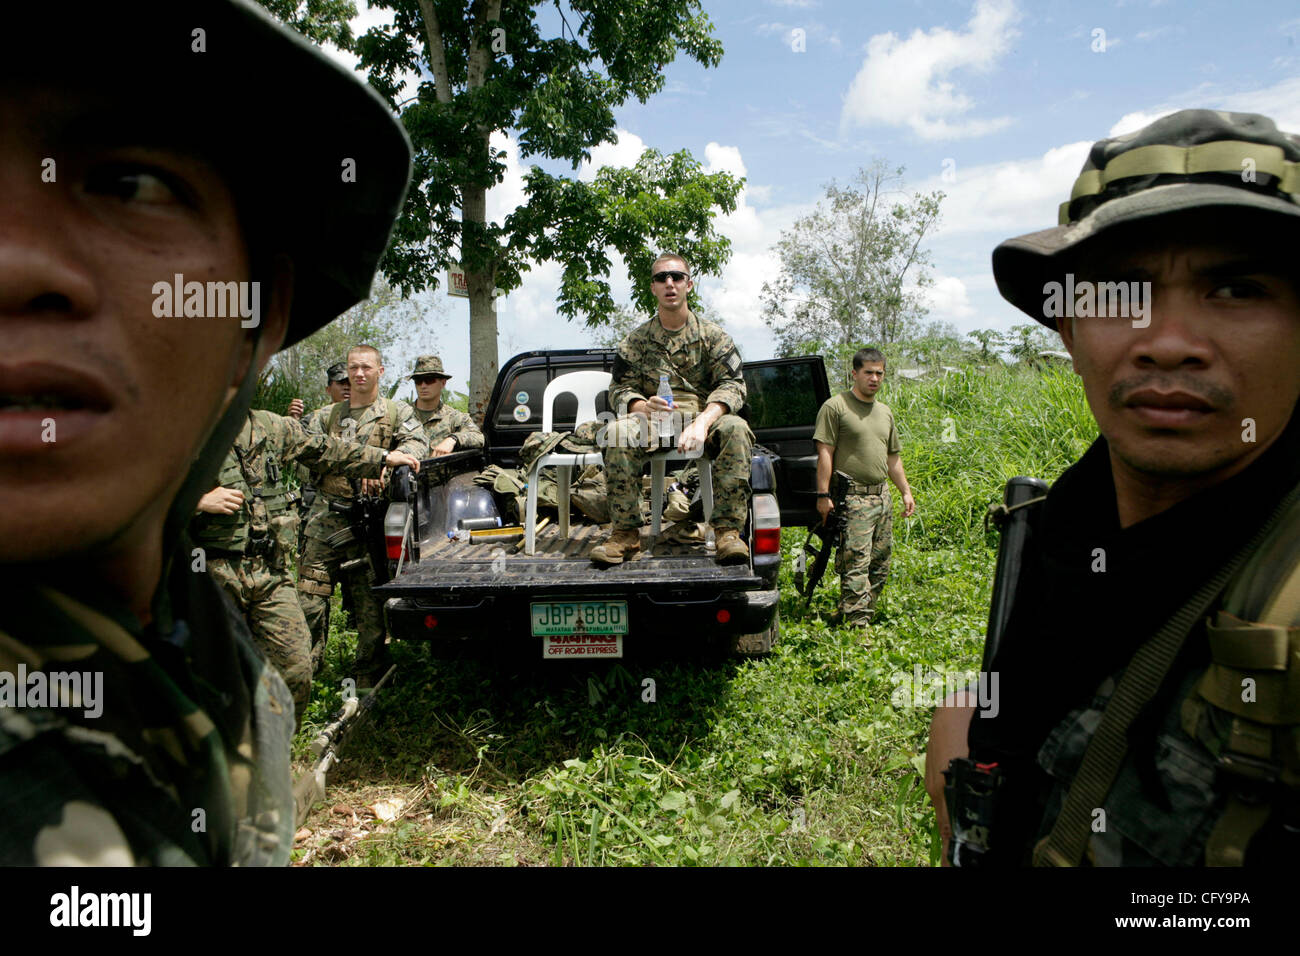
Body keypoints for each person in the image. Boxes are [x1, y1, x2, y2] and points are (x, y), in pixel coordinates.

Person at [0, 0, 412, 865]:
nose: (16, 261)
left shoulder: (215, 668)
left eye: (127, 184)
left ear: (254, 321)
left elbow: (333, 454)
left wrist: (405, 452)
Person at [925, 108, 1300, 867]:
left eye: (1234, 288)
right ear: (1068, 329)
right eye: (1120, 292)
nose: (1168, 341)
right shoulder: (1066, 522)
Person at [193, 409, 420, 723]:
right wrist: (196, 500)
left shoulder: (271, 427)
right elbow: (134, 488)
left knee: (296, 671)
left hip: (269, 571)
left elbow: (327, 449)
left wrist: (383, 458)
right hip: (212, 571)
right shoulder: (182, 428)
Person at [593, 253, 755, 565]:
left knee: (736, 428)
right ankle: (626, 535)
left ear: (689, 285)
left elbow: (733, 385)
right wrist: (640, 404)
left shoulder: (713, 337)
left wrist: (704, 421)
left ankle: (727, 532)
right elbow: (619, 389)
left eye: (677, 277)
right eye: (661, 278)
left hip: (700, 417)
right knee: (616, 431)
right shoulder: (636, 341)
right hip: (653, 420)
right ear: (653, 288)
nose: (669, 283)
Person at [297, 345, 427, 684]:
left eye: (366, 367)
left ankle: (369, 672)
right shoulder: (324, 417)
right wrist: (377, 458)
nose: (359, 374)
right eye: (354, 368)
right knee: (309, 598)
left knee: (369, 602)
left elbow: (417, 446)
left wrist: (394, 459)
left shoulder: (397, 412)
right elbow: (312, 454)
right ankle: (306, 670)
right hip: (325, 519)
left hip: (368, 521)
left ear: (380, 371)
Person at [812, 348, 916, 630]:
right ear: (854, 373)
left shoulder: (884, 412)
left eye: (879, 373)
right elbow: (825, 454)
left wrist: (905, 491)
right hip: (852, 499)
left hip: (881, 496)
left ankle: (855, 609)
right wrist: (823, 496)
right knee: (855, 562)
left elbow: (892, 457)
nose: (874, 378)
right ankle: (858, 626)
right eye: (868, 372)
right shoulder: (835, 407)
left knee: (880, 564)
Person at [408, 354, 484, 455]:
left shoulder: (454, 417)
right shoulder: (403, 415)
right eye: (418, 381)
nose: (423, 385)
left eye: (429, 380)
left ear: (443, 383)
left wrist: (453, 439)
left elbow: (478, 437)